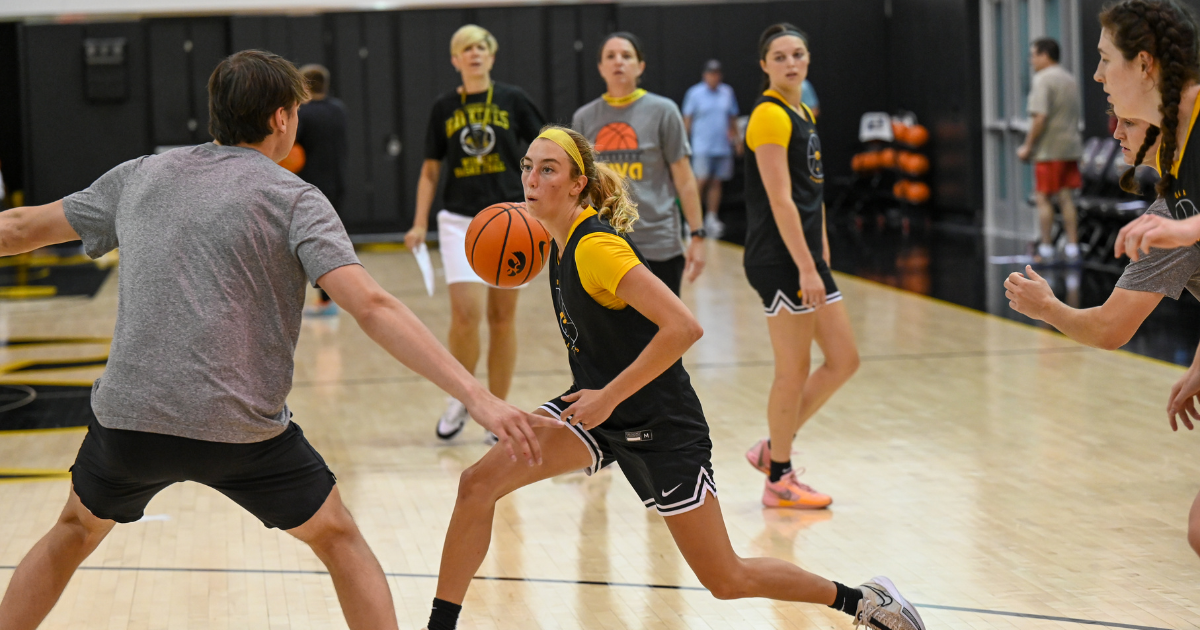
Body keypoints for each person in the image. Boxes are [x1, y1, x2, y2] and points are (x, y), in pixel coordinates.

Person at [0, 50, 554, 630]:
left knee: (74, 530)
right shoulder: (295, 198)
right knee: (339, 538)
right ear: (283, 119)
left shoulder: (140, 174)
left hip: (129, 424)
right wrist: (476, 394)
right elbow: (371, 304)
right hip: (242, 431)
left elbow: (17, 229)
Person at [419, 124, 926, 630]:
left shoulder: (596, 247)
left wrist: (608, 397)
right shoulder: (556, 241)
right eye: (528, 166)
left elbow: (684, 326)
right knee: (477, 483)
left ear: (576, 184)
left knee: (727, 579)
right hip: (595, 412)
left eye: (547, 169)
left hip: (659, 424)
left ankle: (863, 601)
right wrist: (600, 402)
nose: (531, 178)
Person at [1007, 0, 1199, 558]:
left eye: (1103, 59)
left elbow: (1110, 329)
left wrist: (1049, 309)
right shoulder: (1173, 182)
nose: (1095, 75)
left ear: (1144, 65)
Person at [403, 25, 547, 443]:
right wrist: (417, 221)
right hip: (458, 220)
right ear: (455, 59)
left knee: (502, 318)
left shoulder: (512, 99)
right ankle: (461, 397)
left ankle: (498, 410)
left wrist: (538, 197)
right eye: (466, 48)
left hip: (510, 217)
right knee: (465, 315)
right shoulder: (444, 106)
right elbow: (430, 169)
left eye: (482, 46)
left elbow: (545, 148)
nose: (475, 53)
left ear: (492, 55)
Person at [741, 24, 859, 509]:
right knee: (793, 370)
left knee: (844, 359)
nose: (791, 63)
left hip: (806, 257)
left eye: (798, 55)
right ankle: (779, 479)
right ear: (764, 65)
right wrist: (807, 267)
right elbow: (781, 200)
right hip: (780, 258)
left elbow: (814, 198)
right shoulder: (768, 116)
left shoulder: (802, 111)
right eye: (780, 56)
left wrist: (822, 254)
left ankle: (773, 447)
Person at [571, 32, 706, 296]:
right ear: (600, 67)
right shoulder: (584, 118)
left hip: (658, 242)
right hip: (605, 241)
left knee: (663, 330)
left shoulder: (663, 111)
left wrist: (697, 235)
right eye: (610, 56)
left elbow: (684, 177)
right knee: (615, 334)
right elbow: (577, 187)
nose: (618, 61)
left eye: (626, 56)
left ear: (640, 66)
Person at [1018, 37, 1085, 263]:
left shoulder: (1043, 80)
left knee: (1043, 197)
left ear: (1045, 55)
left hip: (1049, 150)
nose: (1031, 60)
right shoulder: (1069, 78)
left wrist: (1028, 146)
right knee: (1066, 198)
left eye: (1033, 55)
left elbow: (1040, 117)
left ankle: (1046, 247)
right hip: (1070, 148)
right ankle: (1073, 246)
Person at [296, 63, 349, 317]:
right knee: (331, 243)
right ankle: (332, 298)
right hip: (337, 184)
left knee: (309, 246)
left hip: (309, 187)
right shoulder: (339, 110)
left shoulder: (303, 114)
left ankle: (324, 301)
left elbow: (292, 152)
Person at [682, 59, 740, 239]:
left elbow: (732, 118)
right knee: (700, 181)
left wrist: (737, 140)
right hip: (701, 146)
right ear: (704, 75)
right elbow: (687, 120)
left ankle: (712, 217)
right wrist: (684, 143)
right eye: (710, 73)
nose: (713, 77)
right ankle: (692, 219)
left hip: (722, 147)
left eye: (716, 73)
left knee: (717, 182)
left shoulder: (727, 92)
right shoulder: (695, 93)